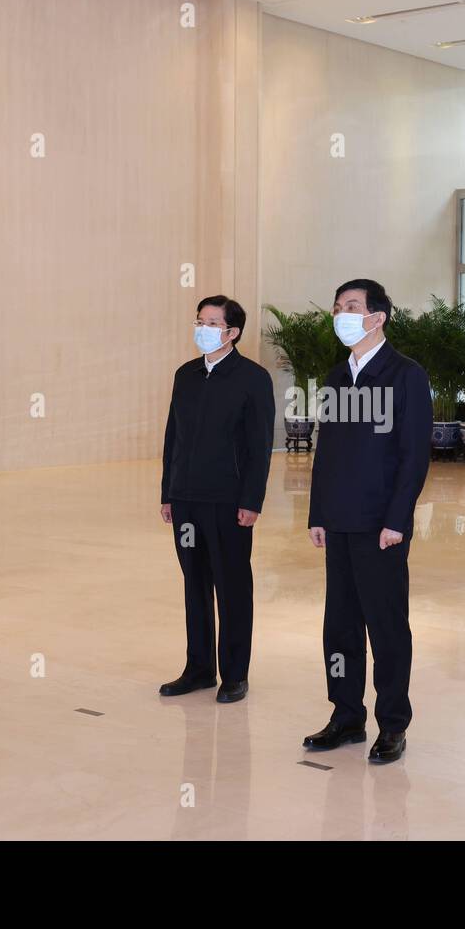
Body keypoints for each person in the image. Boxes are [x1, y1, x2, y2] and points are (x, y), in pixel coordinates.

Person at [302, 279, 432, 764]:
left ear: (378, 317)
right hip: (338, 520)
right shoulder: (337, 376)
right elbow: (327, 452)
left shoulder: (406, 375)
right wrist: (318, 511)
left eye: (352, 307)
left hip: (382, 526)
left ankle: (393, 723)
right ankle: (345, 714)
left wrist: (397, 519)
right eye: (338, 307)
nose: (342, 314)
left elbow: (413, 455)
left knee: (386, 626)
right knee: (340, 625)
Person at [159, 295, 275, 704]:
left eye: (211, 323)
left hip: (228, 502)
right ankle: (199, 668)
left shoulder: (252, 378)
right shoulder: (185, 375)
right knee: (195, 583)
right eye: (199, 320)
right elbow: (174, 436)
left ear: (232, 332)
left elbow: (259, 446)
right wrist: (167, 492)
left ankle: (235, 673)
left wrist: (252, 500)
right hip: (186, 499)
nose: (202, 328)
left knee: (232, 586)